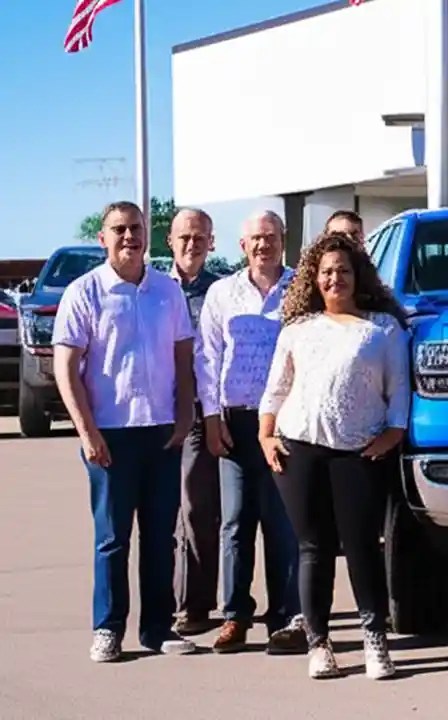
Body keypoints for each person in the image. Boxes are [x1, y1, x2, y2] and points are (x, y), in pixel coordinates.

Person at [52, 200, 198, 662]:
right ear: (103, 238)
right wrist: (86, 430)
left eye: (136, 228)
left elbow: (182, 357)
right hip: (109, 434)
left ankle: (157, 628)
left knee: (160, 536)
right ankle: (107, 628)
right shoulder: (85, 292)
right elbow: (66, 367)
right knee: (113, 538)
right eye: (120, 229)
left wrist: (184, 415)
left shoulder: (167, 293)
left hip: (160, 432)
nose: (130, 237)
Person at [259, 231, 409, 680]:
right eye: (326, 272)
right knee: (313, 548)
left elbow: (398, 390)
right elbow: (276, 389)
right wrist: (266, 436)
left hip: (359, 452)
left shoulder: (383, 328)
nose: (335, 278)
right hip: (299, 449)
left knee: (363, 547)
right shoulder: (298, 329)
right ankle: (319, 644)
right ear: (314, 279)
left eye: (343, 270)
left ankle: (375, 641)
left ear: (357, 275)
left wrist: (392, 434)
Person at [197, 210, 306, 654]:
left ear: (284, 240)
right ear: (242, 246)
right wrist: (211, 417)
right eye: (255, 239)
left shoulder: (302, 287)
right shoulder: (223, 293)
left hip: (287, 421)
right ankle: (235, 616)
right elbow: (206, 358)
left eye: (271, 236)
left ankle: (286, 617)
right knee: (236, 522)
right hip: (237, 421)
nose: (263, 245)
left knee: (284, 524)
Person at [168, 208, 224, 637]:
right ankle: (162, 600)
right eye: (185, 237)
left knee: (198, 509)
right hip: (152, 414)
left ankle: (196, 605)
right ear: (170, 240)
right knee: (159, 515)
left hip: (201, 415)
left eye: (200, 237)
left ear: (211, 242)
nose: (192, 244)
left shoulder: (220, 293)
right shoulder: (150, 289)